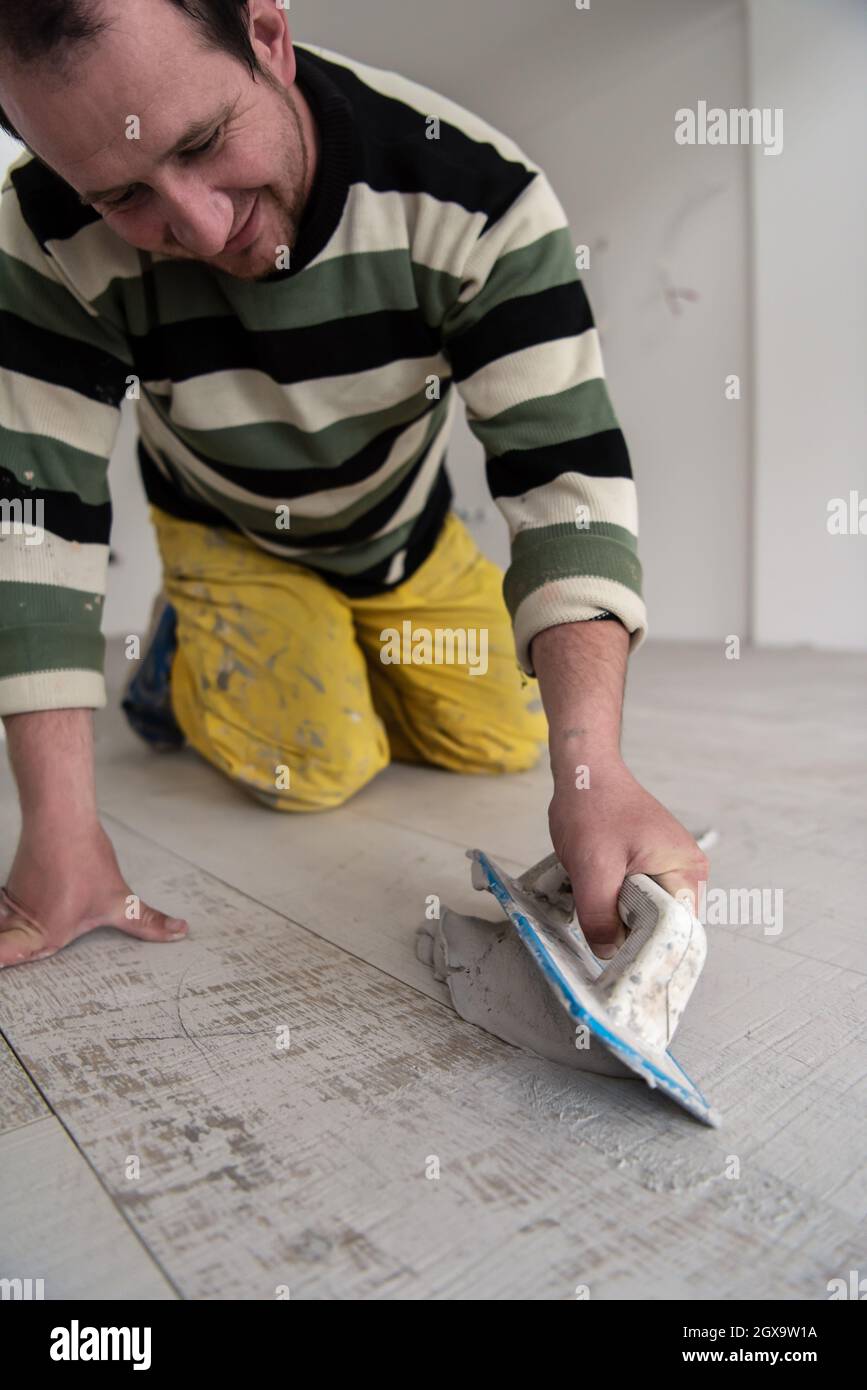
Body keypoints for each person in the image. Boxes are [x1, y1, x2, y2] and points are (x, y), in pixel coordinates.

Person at [0, 0, 707, 969]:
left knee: (505, 732)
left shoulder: (480, 197)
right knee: (317, 761)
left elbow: (563, 476)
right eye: (123, 196)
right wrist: (58, 826)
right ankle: (176, 661)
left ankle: (343, 635)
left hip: (398, 524)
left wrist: (594, 769)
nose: (201, 228)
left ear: (267, 34)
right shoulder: (40, 226)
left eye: (206, 140)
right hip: (226, 524)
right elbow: (39, 515)